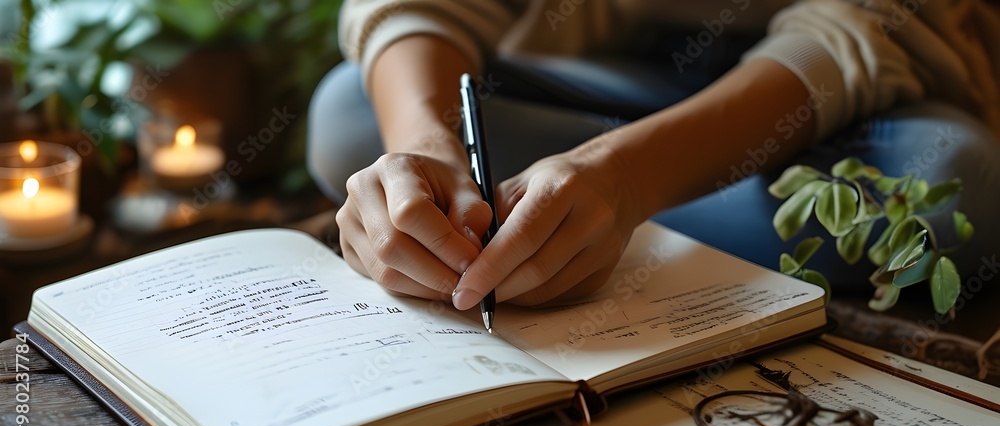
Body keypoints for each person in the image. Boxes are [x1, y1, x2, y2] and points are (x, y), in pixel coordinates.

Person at [307, 0, 1000, 312]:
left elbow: (873, 29)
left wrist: (633, 174)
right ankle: (574, 214)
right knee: (349, 118)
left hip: (831, 101)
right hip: (611, 84)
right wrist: (424, 144)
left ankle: (580, 214)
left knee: (959, 182)